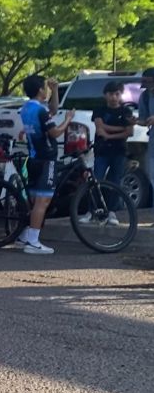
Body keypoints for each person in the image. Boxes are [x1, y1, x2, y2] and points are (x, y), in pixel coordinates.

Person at [17, 74, 71, 255]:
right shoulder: (39, 110)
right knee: (43, 201)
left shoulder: (27, 108)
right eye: (45, 87)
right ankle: (33, 242)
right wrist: (68, 119)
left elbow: (52, 110)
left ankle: (25, 235)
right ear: (40, 89)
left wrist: (55, 90)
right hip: (46, 158)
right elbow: (55, 133)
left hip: (33, 158)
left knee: (34, 201)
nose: (46, 89)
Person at [82, 81, 134, 224]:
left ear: (121, 95)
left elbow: (130, 132)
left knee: (115, 181)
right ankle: (91, 211)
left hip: (119, 151)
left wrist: (109, 133)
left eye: (117, 94)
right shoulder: (99, 109)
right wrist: (122, 128)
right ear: (105, 95)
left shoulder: (126, 111)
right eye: (111, 94)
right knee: (96, 180)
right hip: (102, 150)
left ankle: (112, 212)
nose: (114, 97)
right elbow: (100, 128)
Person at [138, 68, 154, 199]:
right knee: (152, 176)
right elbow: (144, 120)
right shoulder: (145, 96)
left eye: (149, 82)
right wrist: (136, 121)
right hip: (152, 142)